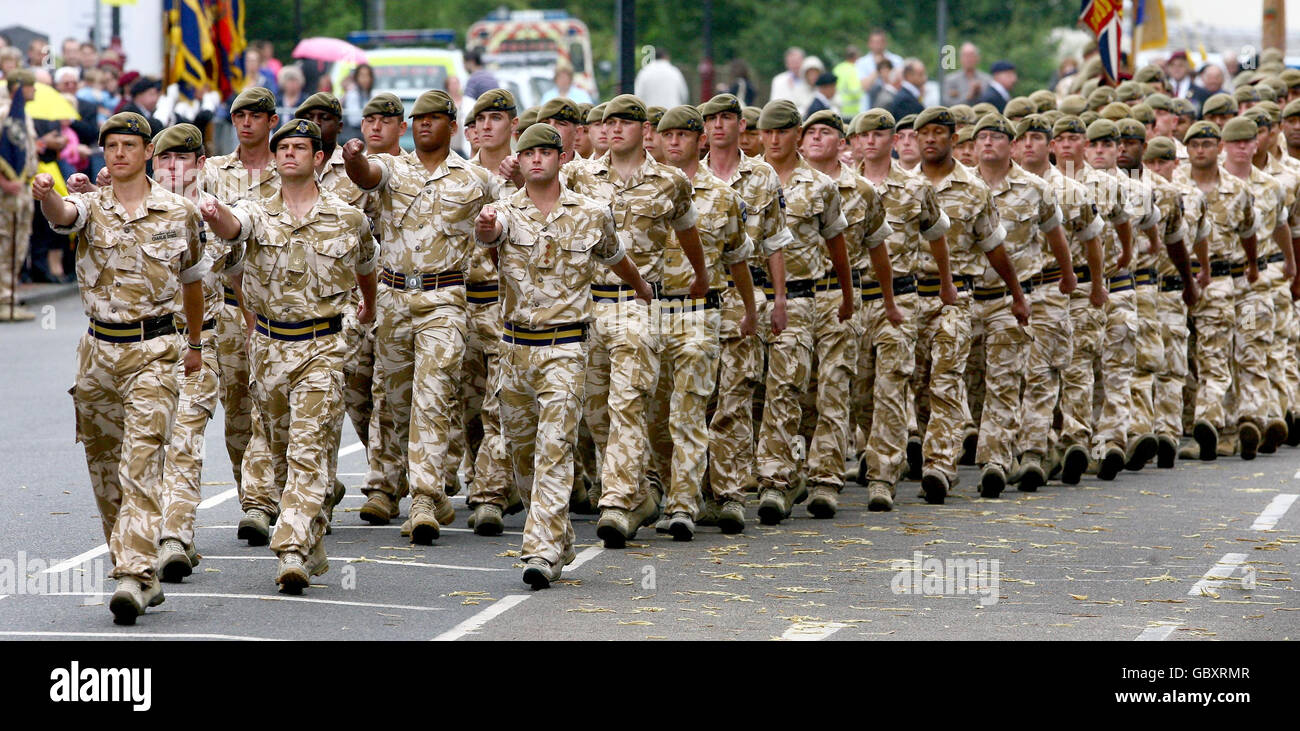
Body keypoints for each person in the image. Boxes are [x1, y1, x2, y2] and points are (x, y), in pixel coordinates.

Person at [34, 111, 208, 623]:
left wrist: (195, 342)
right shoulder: (92, 206)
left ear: (148, 152)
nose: (119, 153)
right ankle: (135, 561)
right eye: (110, 145)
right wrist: (45, 193)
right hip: (97, 354)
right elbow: (64, 216)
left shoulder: (179, 212)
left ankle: (133, 573)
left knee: (142, 462)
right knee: (105, 466)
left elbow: (194, 280)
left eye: (130, 145)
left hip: (153, 349)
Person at [202, 119, 377, 593]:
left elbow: (366, 265)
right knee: (279, 453)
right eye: (283, 149)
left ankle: (292, 549)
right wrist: (212, 209)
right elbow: (231, 226)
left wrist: (370, 307)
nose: (290, 154)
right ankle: (310, 530)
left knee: (307, 447)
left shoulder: (347, 217)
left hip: (322, 346)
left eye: (301, 148)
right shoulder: (256, 212)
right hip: (270, 347)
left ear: (319, 158)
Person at [473, 123, 650, 587]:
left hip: (566, 348)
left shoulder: (591, 213)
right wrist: (485, 229)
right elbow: (489, 237)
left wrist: (641, 287)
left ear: (560, 159)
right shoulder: (503, 211)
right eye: (527, 153)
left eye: (545, 152)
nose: (535, 160)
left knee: (556, 450)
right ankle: (556, 533)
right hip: (514, 350)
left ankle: (541, 551)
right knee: (523, 452)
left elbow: (615, 256)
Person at [343, 90, 494, 545]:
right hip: (392, 297)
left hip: (445, 298)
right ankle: (430, 487)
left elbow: (511, 216)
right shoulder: (394, 167)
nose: (425, 124)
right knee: (400, 400)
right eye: (418, 118)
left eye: (434, 118)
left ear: (452, 124)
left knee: (434, 393)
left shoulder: (477, 179)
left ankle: (425, 498)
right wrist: (353, 159)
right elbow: (365, 175)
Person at [562, 95, 707, 547]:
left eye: (627, 121)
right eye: (611, 121)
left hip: (637, 303)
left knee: (629, 402)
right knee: (596, 410)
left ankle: (618, 503)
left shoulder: (670, 181)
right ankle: (642, 491)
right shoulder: (579, 174)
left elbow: (688, 231)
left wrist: (701, 275)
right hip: (586, 304)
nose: (617, 127)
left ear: (645, 129)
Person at [646, 105, 754, 539]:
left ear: (700, 140)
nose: (674, 142)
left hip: (698, 313)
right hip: (648, 311)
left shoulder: (722, 196)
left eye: (683, 135)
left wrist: (749, 308)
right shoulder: (642, 191)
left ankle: (683, 504)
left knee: (688, 411)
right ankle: (662, 488)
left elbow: (738, 258)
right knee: (654, 415)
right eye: (666, 135)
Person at [910, 106, 1027, 502]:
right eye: (922, 132)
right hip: (908, 298)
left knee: (947, 381)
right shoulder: (900, 188)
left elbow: (995, 249)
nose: (929, 139)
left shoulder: (974, 191)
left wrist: (1017, 293)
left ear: (952, 137)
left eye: (938, 132)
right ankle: (921, 451)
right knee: (914, 384)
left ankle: (940, 466)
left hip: (954, 299)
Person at [849, 108, 953, 509]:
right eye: (864, 134)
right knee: (859, 390)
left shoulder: (915, 188)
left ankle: (883, 475)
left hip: (900, 299)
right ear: (855, 142)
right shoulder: (843, 187)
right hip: (855, 298)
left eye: (880, 134)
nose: (871, 140)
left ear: (894, 139)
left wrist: (945, 284)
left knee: (892, 387)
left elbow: (938, 237)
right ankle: (869, 450)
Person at [698, 93, 791, 532]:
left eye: (726, 118)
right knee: (697, 399)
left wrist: (778, 300)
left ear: (740, 126)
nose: (719, 126)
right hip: (696, 298)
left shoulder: (762, 176)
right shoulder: (685, 176)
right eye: (711, 119)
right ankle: (696, 490)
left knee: (736, 395)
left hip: (743, 295)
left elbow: (773, 243)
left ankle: (731, 493)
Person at [798, 109, 895, 515]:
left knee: (836, 388)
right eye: (811, 132)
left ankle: (825, 478)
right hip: (797, 299)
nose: (817, 138)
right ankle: (791, 470)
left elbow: (878, 250)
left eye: (827, 133)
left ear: (842, 144)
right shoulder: (781, 185)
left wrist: (887, 302)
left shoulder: (863, 192)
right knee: (797, 390)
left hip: (841, 299)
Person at [203, 87, 280, 542]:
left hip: (279, 313)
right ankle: (252, 496)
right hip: (230, 311)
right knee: (237, 410)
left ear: (272, 120)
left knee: (278, 407)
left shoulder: (294, 167)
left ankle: (274, 496)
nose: (246, 122)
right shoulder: (212, 172)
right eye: (239, 115)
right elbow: (164, 187)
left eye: (255, 115)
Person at [1014, 114, 1109, 485]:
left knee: (1050, 369)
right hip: (1009, 291)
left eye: (1037, 137)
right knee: (1011, 374)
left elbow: (1092, 242)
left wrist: (1097, 287)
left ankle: (1045, 447)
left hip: (1055, 288)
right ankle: (1022, 446)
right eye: (1024, 138)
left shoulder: (1072, 190)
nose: (1029, 144)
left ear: (1048, 145)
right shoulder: (1001, 187)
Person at [1175, 120, 1258, 460]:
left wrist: (1252, 265)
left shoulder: (1237, 190)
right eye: (1194, 144)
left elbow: (1250, 231)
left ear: (1218, 147)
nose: (1200, 150)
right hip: (1177, 281)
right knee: (1182, 359)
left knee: (1214, 355)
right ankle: (1202, 422)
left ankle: (1210, 424)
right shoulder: (1172, 187)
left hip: (1219, 281)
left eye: (1207, 144)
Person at [1221, 115, 1294, 459]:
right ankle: (1223, 425)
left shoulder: (1271, 186)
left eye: (1247, 141)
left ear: (1257, 144)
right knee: (1218, 354)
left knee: (1250, 347)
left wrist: (1290, 263)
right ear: (1225, 146)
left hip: (1252, 285)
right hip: (1218, 282)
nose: (1241, 148)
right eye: (1234, 142)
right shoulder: (1205, 183)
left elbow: (1282, 226)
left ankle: (1251, 418)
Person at [1143, 136, 1208, 462]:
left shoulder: (1191, 197)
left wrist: (1198, 276)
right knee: (1141, 365)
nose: (1157, 168)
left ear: (1174, 164)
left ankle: (1167, 433)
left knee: (1172, 366)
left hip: (1170, 289)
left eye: (1162, 162)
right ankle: (1142, 430)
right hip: (1142, 288)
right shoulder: (1136, 191)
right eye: (1151, 162)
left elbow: (1197, 240)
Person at [0, 69, 36, 322]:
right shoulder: (5, 113)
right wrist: (3, 181)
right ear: (19, 89)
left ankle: (10, 296)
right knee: (5, 243)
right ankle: (3, 299)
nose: (34, 91)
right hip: (7, 191)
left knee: (19, 243)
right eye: (30, 86)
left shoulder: (23, 114)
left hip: (22, 187)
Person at [857, 29, 904, 108]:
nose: (877, 46)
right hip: (869, 106)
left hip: (892, 104)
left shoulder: (897, 60)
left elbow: (901, 84)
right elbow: (865, 86)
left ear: (885, 43)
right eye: (874, 42)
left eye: (879, 42)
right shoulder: (862, 62)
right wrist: (878, 68)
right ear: (869, 44)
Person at [833, 47, 863, 119]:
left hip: (838, 109)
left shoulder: (837, 68)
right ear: (856, 56)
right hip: (853, 112)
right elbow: (855, 91)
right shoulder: (854, 69)